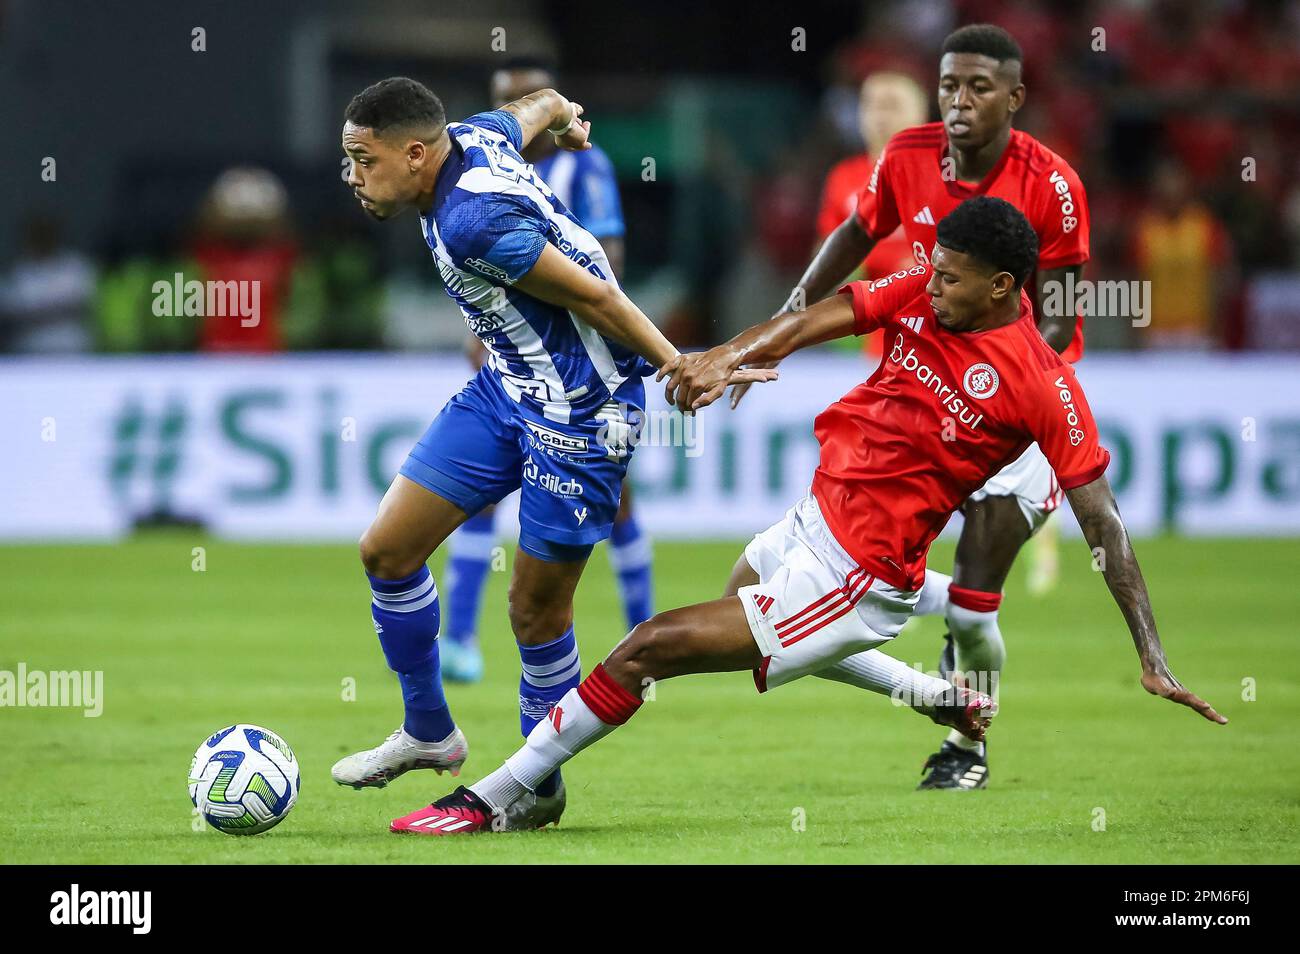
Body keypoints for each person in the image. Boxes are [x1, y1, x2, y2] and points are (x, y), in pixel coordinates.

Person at [389, 196, 1224, 836]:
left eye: (950, 277)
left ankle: (492, 799)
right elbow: (810, 321)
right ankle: (934, 695)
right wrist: (722, 357)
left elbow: (1104, 523)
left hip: (859, 572)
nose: (931, 284)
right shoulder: (922, 291)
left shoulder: (1041, 382)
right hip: (812, 518)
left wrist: (1151, 656)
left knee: (647, 648)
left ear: (1003, 286)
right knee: (749, 618)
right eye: (932, 269)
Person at [328, 77, 764, 831]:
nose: (352, 176)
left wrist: (679, 365)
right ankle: (429, 732)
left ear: (417, 153)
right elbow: (540, 103)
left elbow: (597, 296)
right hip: (506, 388)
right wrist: (563, 119)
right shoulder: (478, 134)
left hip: (584, 412)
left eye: (365, 160)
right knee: (387, 552)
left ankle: (538, 781)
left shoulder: (472, 222)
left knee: (534, 610)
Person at [733, 23, 1088, 789]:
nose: (959, 100)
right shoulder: (905, 158)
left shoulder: (1053, 185)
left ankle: (967, 746)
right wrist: (785, 320)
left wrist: (994, 385)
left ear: (1015, 98)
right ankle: (936, 661)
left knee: (975, 610)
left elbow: (1059, 320)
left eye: (978, 87)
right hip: (919, 395)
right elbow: (855, 234)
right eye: (949, 85)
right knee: (859, 579)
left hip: (1011, 408)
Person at [440, 58, 654, 685]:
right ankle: (459, 640)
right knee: (478, 498)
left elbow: (607, 259)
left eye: (523, 96)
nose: (514, 110)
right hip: (515, 359)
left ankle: (644, 632)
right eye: (504, 97)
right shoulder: (478, 169)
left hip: (583, 364)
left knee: (617, 504)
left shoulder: (584, 166)